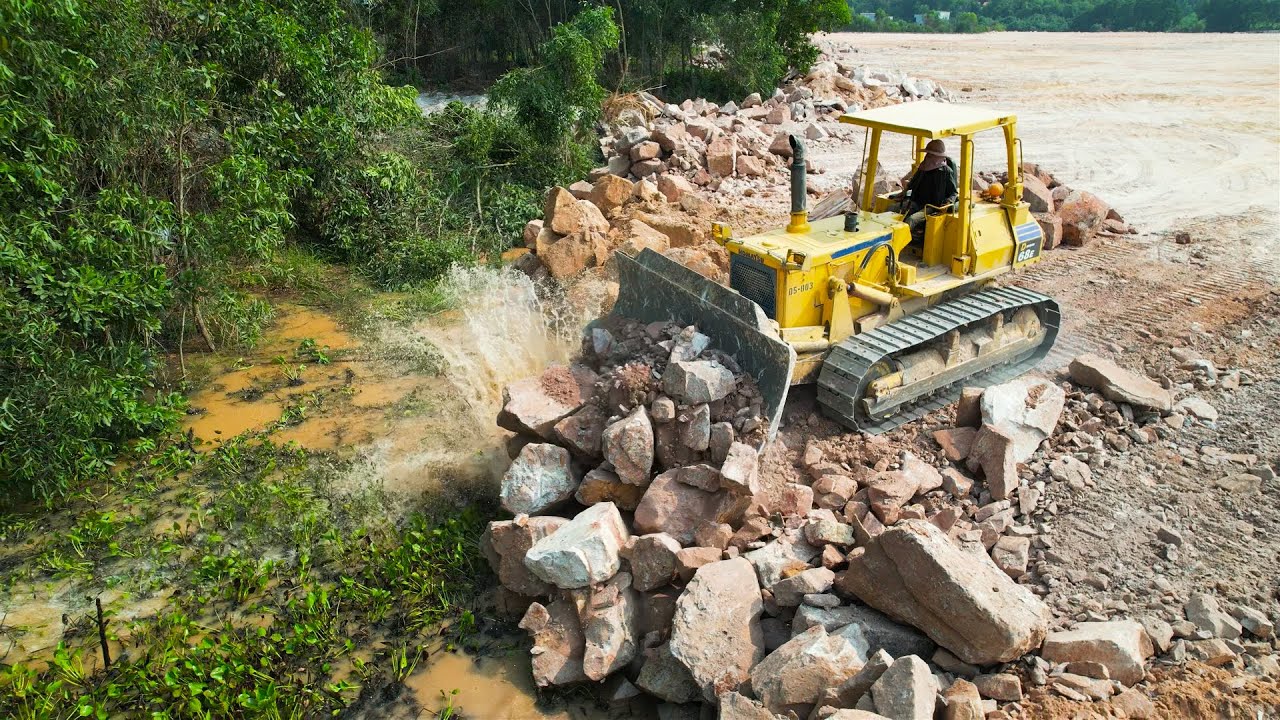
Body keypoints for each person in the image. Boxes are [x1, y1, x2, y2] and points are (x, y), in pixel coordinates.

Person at [897, 138, 958, 240]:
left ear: (939, 157)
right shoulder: (923, 168)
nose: (928, 156)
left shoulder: (946, 172)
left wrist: (948, 202)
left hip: (932, 206)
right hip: (917, 201)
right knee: (892, 209)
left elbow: (953, 192)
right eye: (928, 154)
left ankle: (898, 244)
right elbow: (913, 183)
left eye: (931, 154)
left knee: (911, 220)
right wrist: (904, 192)